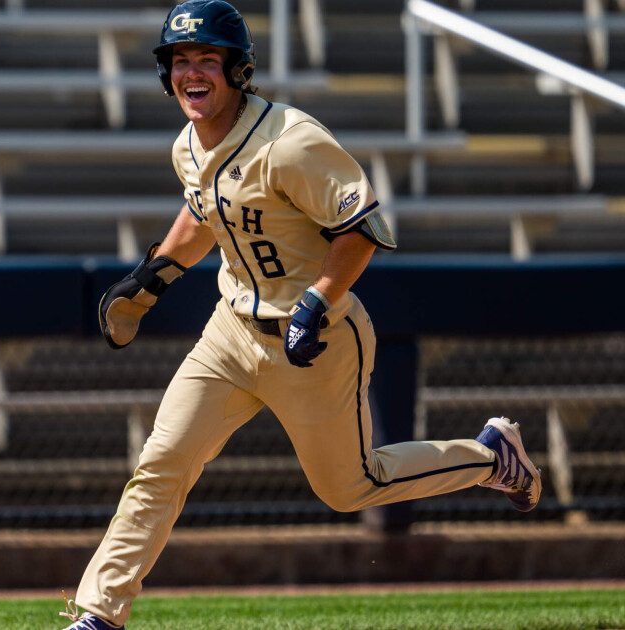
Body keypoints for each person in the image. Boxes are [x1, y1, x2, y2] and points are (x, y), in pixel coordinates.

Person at [60, 2, 542, 628]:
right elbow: (206, 213)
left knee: (350, 489)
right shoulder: (187, 144)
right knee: (161, 464)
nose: (192, 72)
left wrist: (316, 302)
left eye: (209, 59)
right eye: (181, 61)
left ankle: (489, 456)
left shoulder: (290, 140)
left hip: (316, 339)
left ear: (239, 70)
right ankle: (99, 614)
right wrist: (152, 278)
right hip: (230, 334)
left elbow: (362, 227)